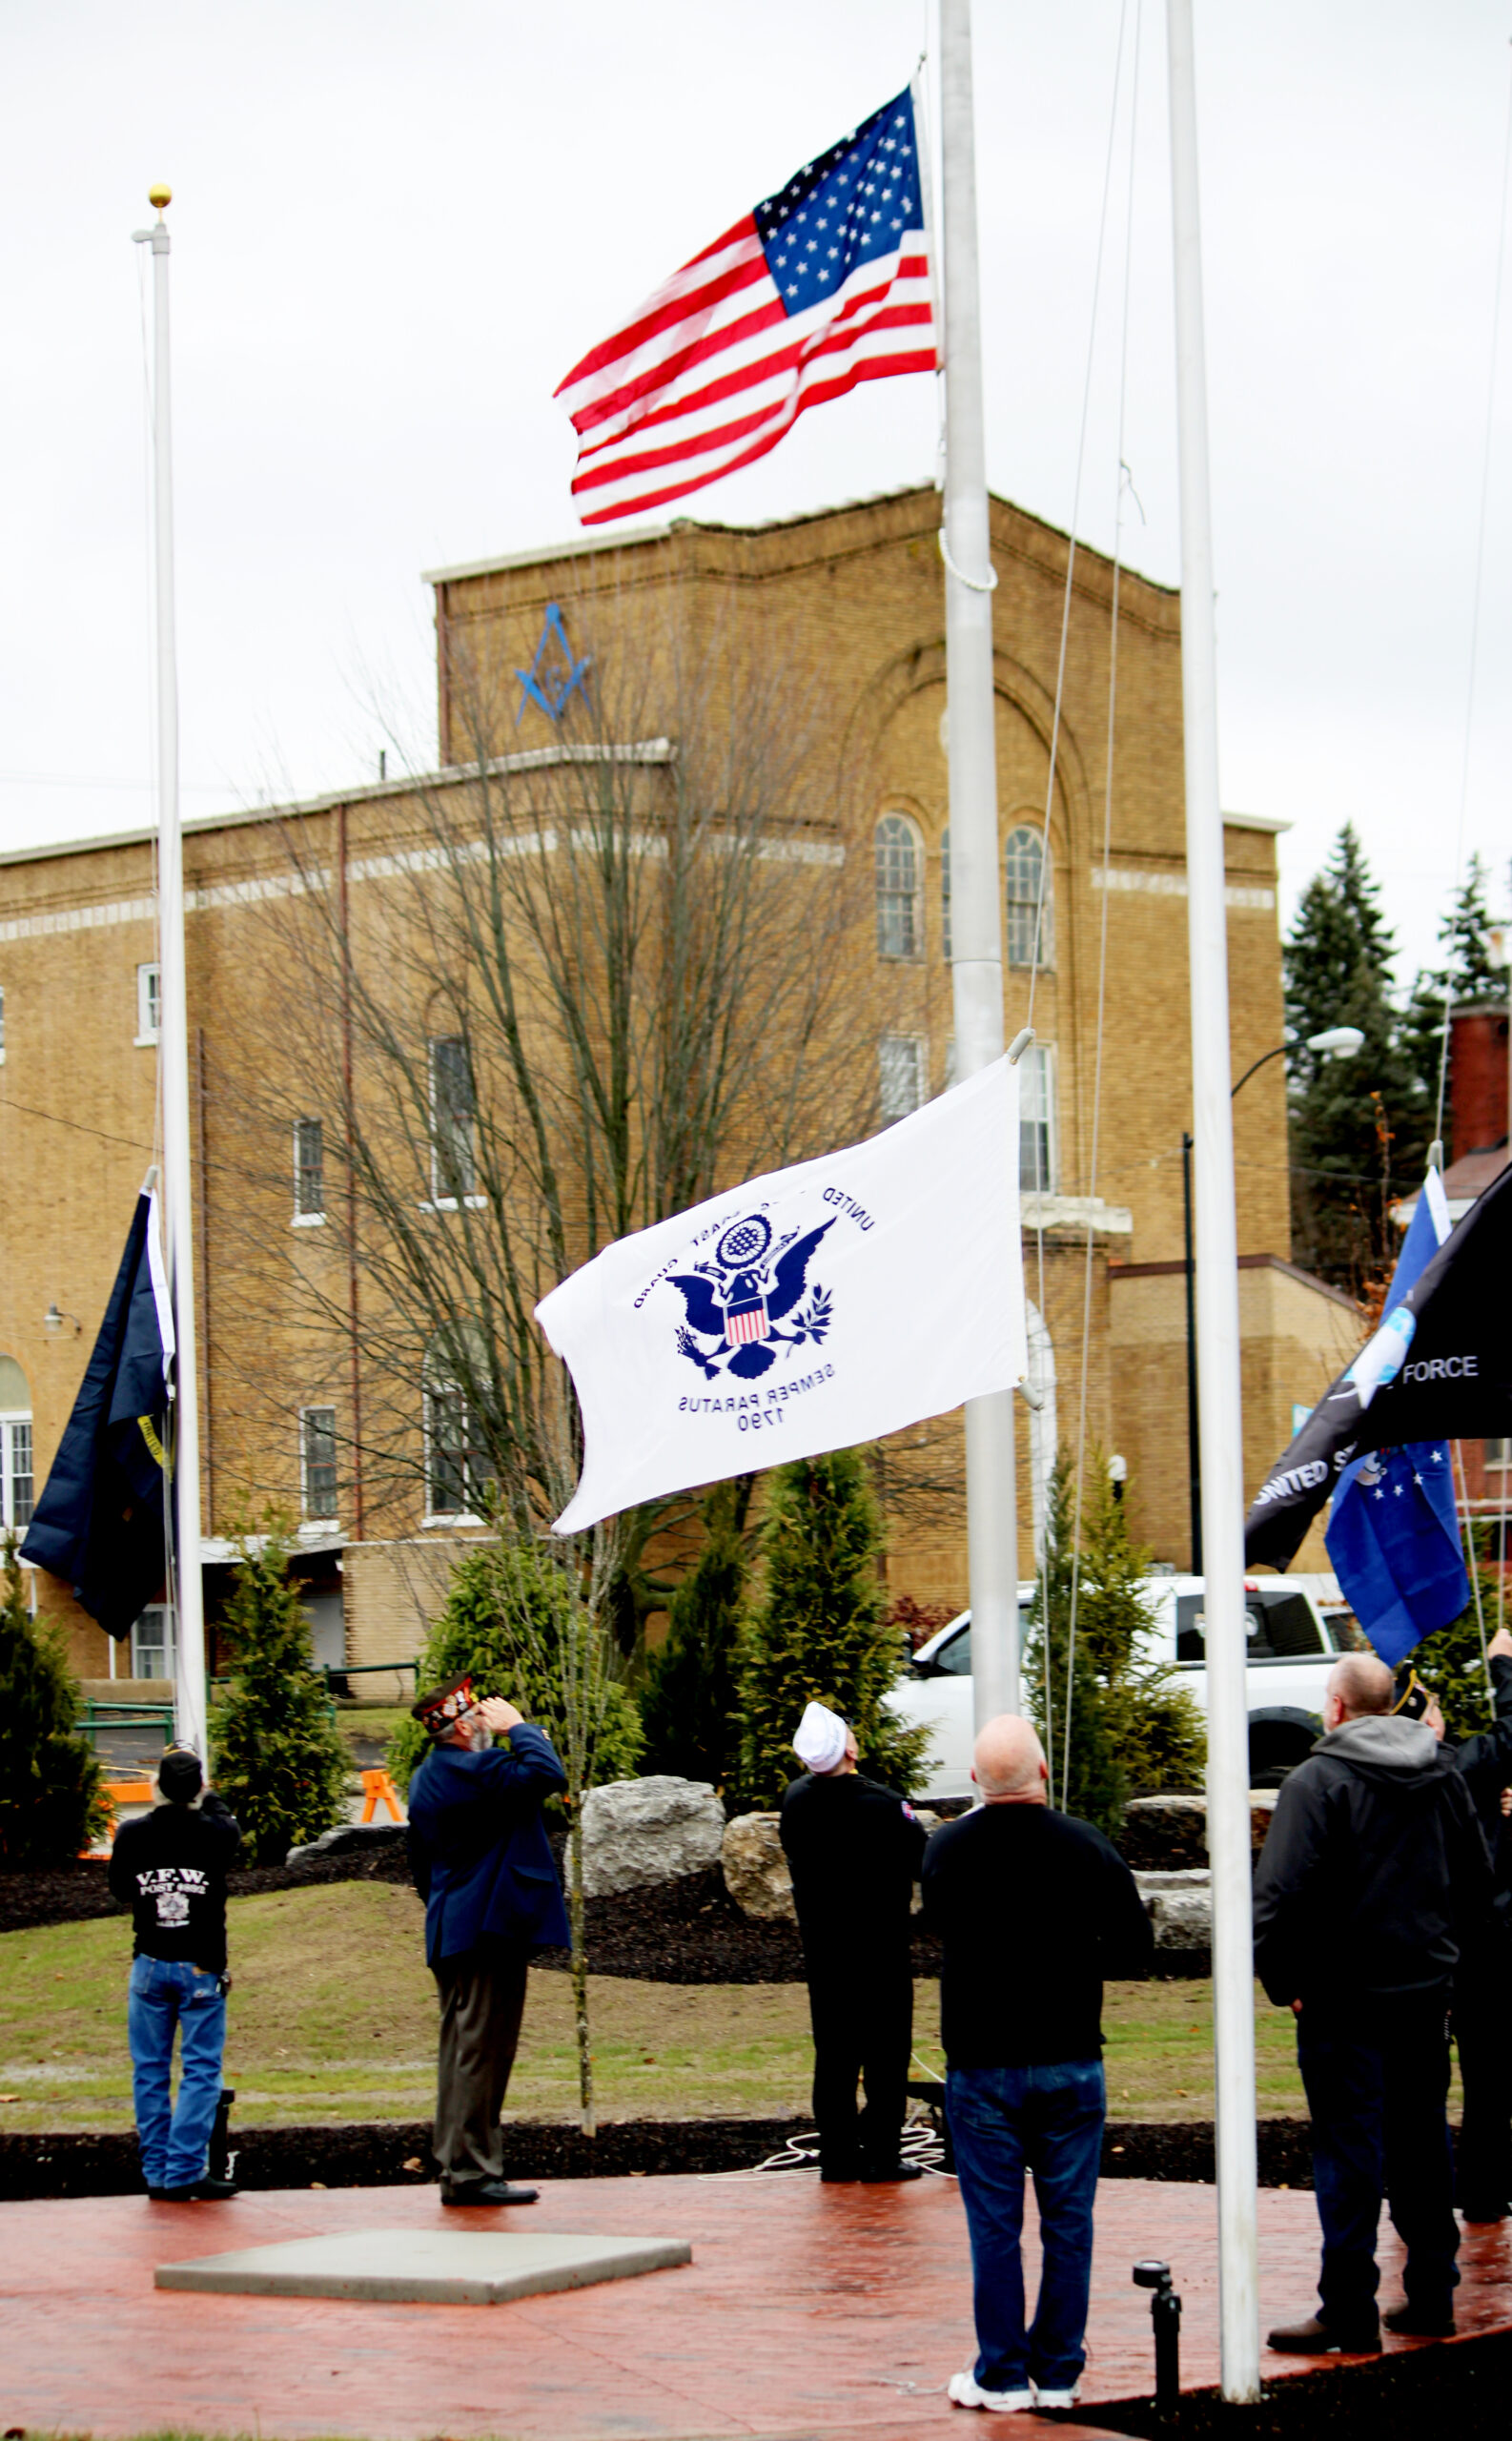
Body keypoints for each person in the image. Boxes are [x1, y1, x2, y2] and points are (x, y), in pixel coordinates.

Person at [1255, 1650, 1494, 2353]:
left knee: (1349, 2152)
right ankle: (1431, 2294)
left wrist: (1284, 1982)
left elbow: (1277, 1897)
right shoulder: (1442, 1774)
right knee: (1422, 2145)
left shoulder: (1316, 1782)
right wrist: (1455, 1974)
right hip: (1421, 1998)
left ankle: (1349, 2306)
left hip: (1342, 2005)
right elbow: (1477, 1887)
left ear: (1334, 1708)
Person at [922, 1713, 1153, 2413]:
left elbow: (941, 1924)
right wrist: (1078, 1958)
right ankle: (1057, 2369)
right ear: (1044, 1772)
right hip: (1069, 2056)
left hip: (983, 2060)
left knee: (994, 2224)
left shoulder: (946, 1850)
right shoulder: (1087, 1846)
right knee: (1068, 2220)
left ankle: (1001, 2374)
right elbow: (1135, 1946)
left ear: (974, 1780)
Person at [406, 1671, 570, 2205]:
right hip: (488, 1930)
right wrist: (520, 1726)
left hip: (454, 1927)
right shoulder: (481, 1769)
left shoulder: (428, 1775)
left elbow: (419, 1863)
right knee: (484, 2051)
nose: (485, 1722)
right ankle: (473, 2173)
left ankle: (458, 2165)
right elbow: (548, 1773)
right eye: (477, 1716)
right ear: (458, 1728)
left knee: (461, 2051)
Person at [779, 1698, 928, 2185]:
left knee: (835, 2055)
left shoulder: (796, 1799)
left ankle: (837, 2155)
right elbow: (921, 1858)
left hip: (825, 1951)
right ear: (847, 1748)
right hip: (880, 1949)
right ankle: (882, 2154)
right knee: (886, 2054)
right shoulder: (884, 1805)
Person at [108, 1743, 242, 2202]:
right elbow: (227, 1819)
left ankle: (157, 2170)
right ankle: (185, 2168)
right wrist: (209, 1793)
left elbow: (120, 1891)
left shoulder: (131, 1835)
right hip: (201, 1965)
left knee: (149, 2070)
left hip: (149, 1963)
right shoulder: (217, 1833)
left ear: (157, 1788)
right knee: (201, 2069)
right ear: (199, 1788)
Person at [1426, 1624, 1512, 2222]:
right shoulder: (1457, 1769)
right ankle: (1478, 2194)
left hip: (1416, 1958)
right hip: (1470, 1955)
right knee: (1484, 2080)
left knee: (1419, 2092)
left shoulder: (1353, 1781)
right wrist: (1505, 1667)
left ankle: (1435, 2200)